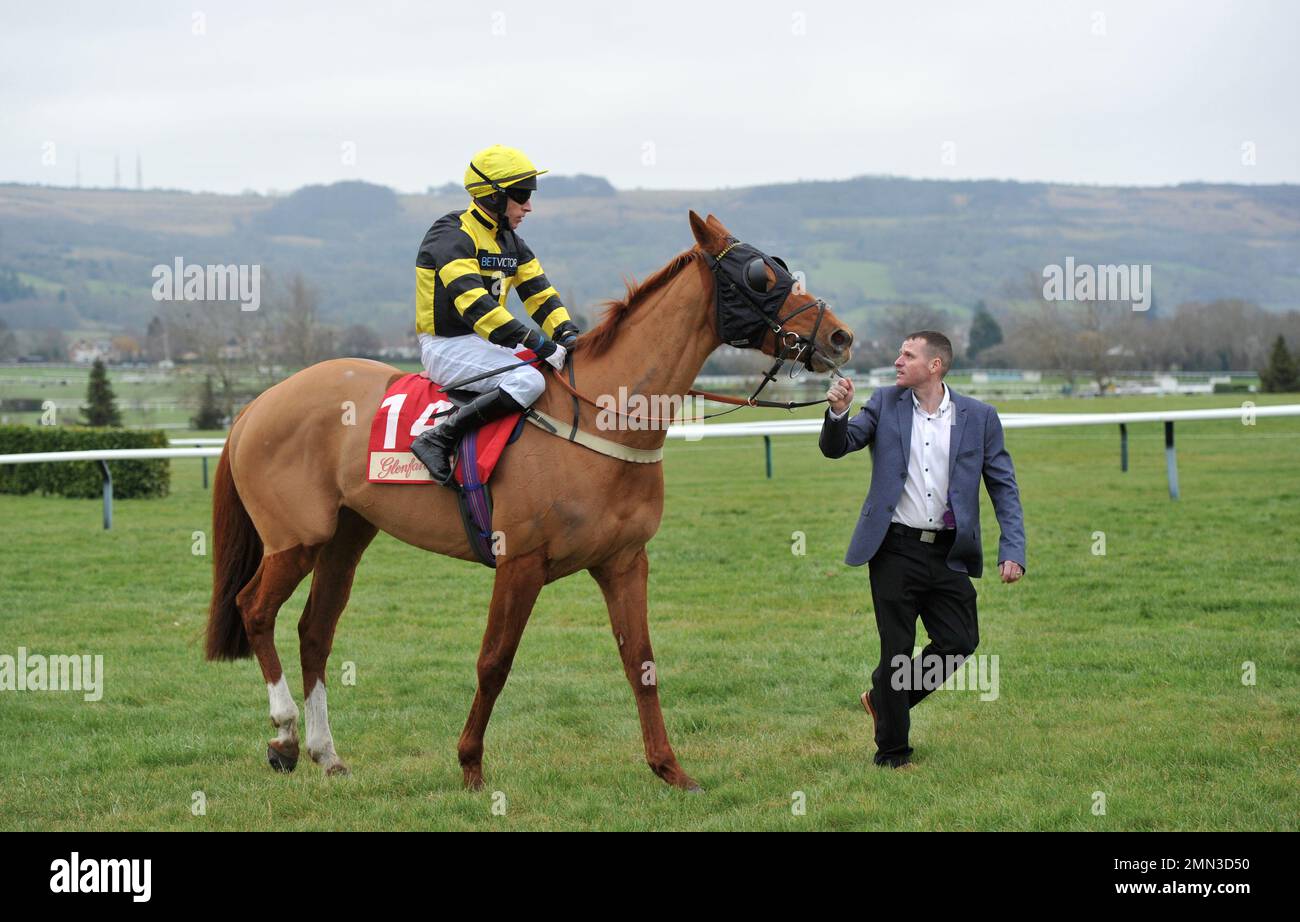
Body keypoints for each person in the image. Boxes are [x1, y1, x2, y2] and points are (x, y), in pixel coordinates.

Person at [820, 331, 1026, 769]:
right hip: (893, 549)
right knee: (896, 650)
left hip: (949, 551)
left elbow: (1003, 486)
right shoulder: (883, 403)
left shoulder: (980, 416)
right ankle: (892, 753)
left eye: (908, 355)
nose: (898, 361)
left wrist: (1013, 547)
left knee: (960, 640)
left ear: (935, 365)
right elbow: (838, 447)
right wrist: (838, 413)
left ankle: (885, 698)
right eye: (899, 353)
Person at [410, 144, 580, 484]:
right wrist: (535, 340)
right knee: (528, 380)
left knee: (559, 371)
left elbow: (539, 294)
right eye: (521, 195)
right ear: (492, 196)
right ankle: (438, 438)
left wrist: (565, 333)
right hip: (447, 347)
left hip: (488, 345)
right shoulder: (450, 235)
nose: (528, 206)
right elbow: (474, 305)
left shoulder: (511, 241)